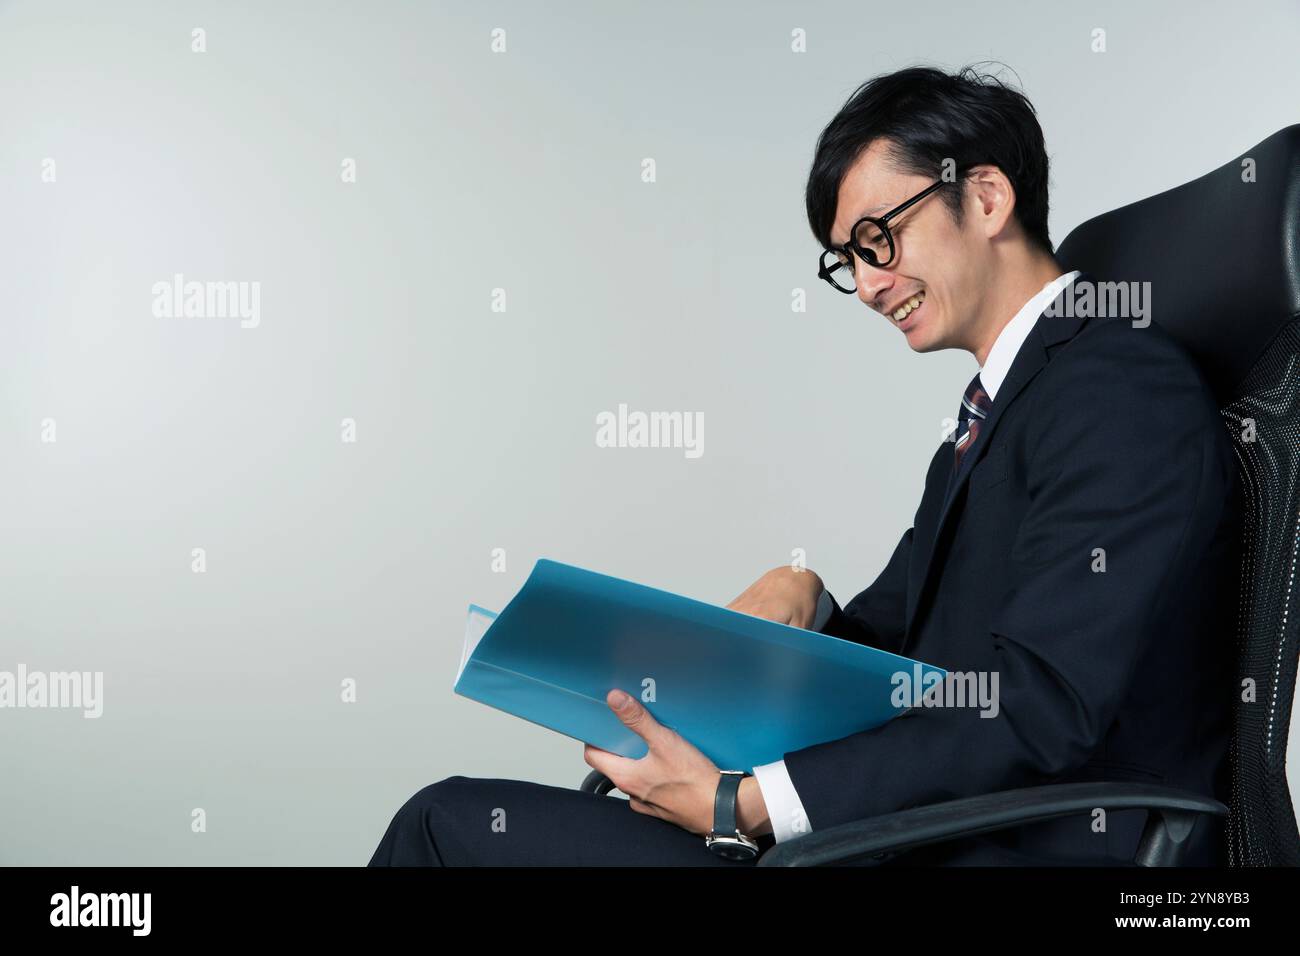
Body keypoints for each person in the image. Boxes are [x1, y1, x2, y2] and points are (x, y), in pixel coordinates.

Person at [367, 64, 1238, 867]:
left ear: (984, 195)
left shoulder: (1120, 388)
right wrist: (803, 603)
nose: (865, 284)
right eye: (847, 259)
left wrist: (744, 804)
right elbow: (897, 653)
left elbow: (1041, 703)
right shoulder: (1000, 412)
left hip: (1017, 847)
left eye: (877, 239)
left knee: (448, 828)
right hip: (907, 832)